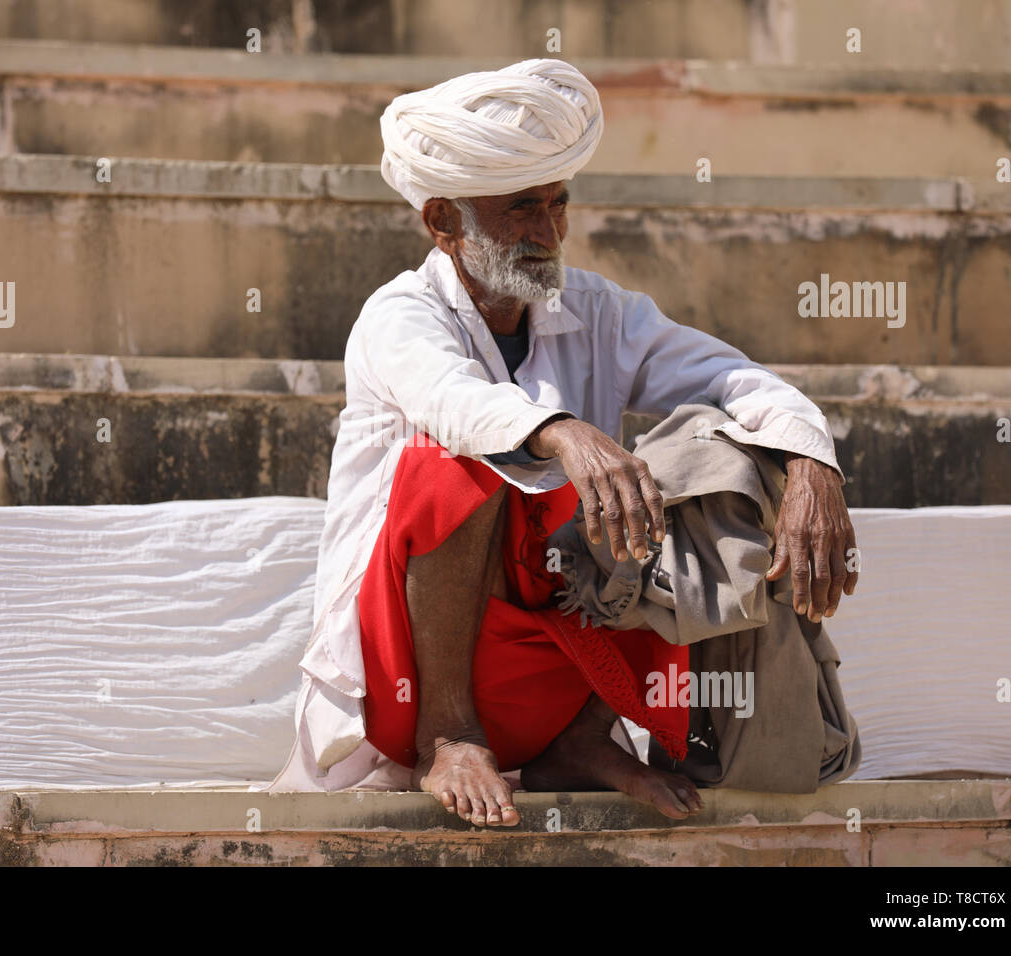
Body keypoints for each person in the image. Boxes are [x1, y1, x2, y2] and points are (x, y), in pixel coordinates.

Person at [269, 59, 858, 828]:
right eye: (521, 210)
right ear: (444, 222)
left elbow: (728, 377)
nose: (548, 232)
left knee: (711, 453)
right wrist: (563, 433)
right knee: (452, 469)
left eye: (557, 205)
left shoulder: (598, 309)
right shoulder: (399, 316)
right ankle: (449, 739)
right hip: (410, 677)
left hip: (557, 668)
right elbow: (453, 403)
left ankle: (580, 741)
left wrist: (813, 464)